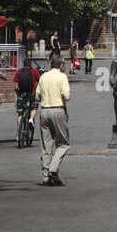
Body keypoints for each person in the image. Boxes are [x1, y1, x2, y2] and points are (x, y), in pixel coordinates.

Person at [36, 53, 70, 186]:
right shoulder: (62, 77)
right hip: (58, 110)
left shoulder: (43, 76)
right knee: (63, 144)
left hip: (44, 111)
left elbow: (37, 96)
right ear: (61, 65)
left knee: (46, 144)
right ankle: (53, 170)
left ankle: (45, 176)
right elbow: (67, 96)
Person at [15, 58, 39, 135]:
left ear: (24, 64)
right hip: (31, 93)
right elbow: (39, 81)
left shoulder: (19, 72)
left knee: (20, 114)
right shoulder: (34, 71)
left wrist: (18, 94)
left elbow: (16, 85)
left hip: (21, 93)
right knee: (34, 106)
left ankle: (19, 134)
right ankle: (31, 119)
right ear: (30, 64)